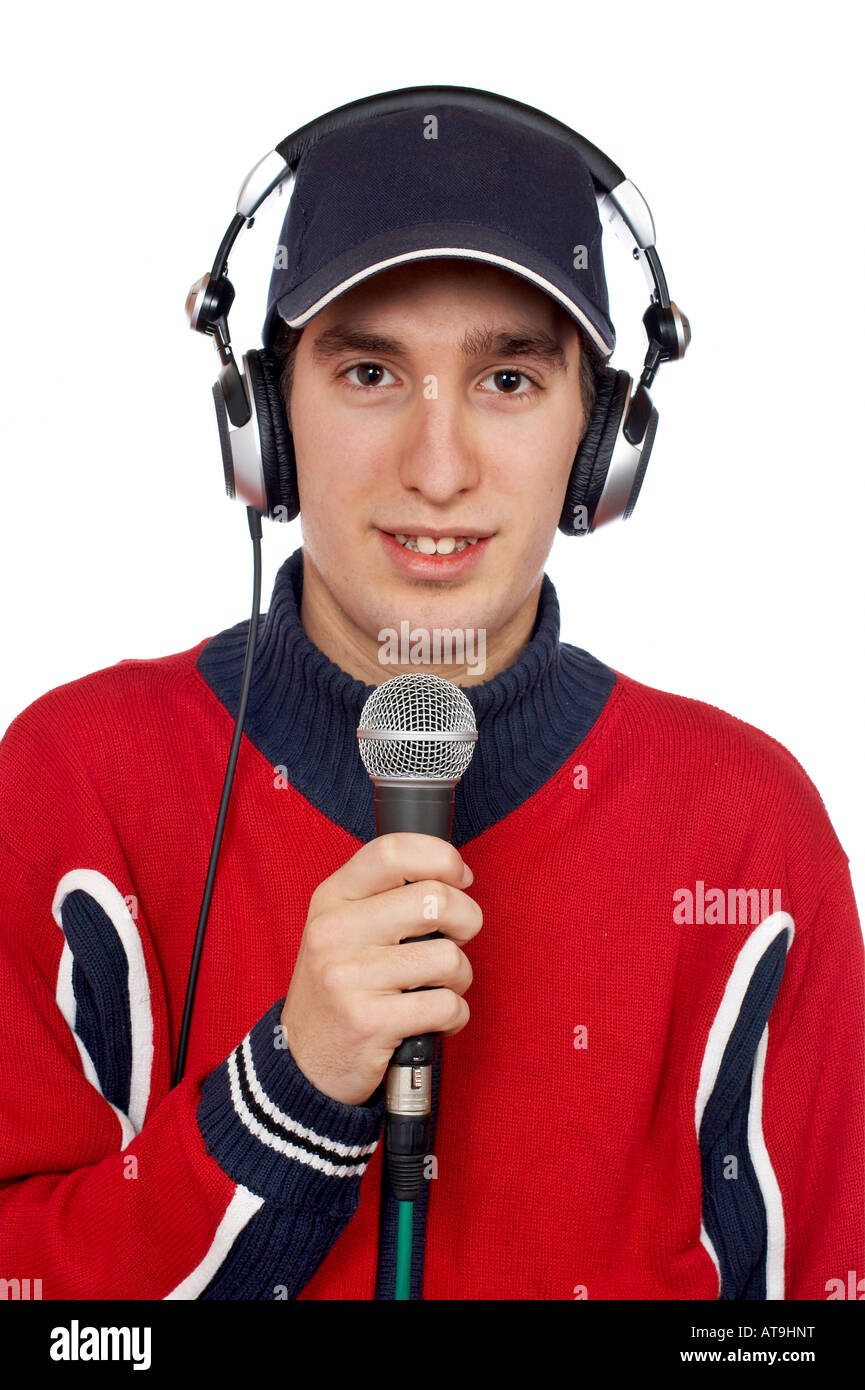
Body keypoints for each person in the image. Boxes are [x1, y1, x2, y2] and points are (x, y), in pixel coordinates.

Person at [0, 100, 861, 1302]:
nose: (438, 467)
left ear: (603, 441)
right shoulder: (72, 777)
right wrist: (285, 1089)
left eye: (508, 378)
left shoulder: (744, 824)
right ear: (263, 429)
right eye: (368, 371)